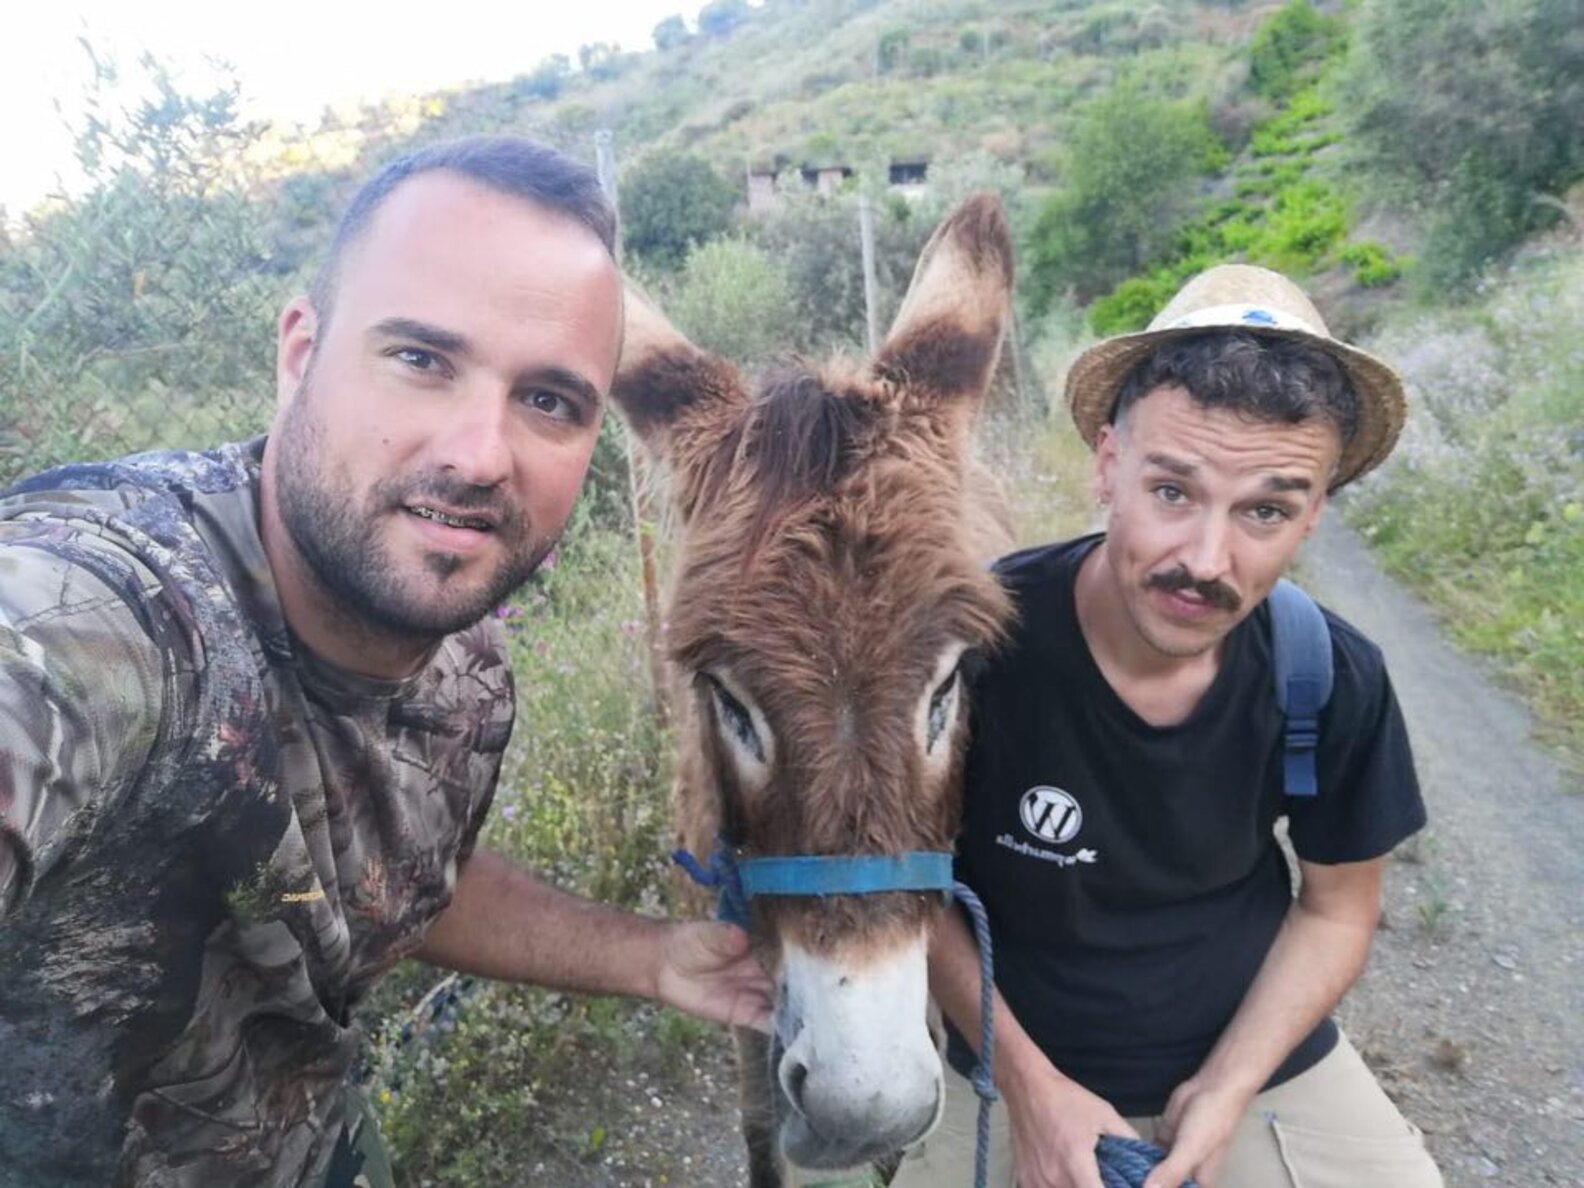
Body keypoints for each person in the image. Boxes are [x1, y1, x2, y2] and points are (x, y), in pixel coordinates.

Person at [0, 137, 771, 1187]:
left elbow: (393, 877)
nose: (477, 454)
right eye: (420, 359)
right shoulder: (115, 613)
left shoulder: (466, 665)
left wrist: (654, 959)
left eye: (548, 399)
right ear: (297, 353)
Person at [893, 265, 1443, 1188]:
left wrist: (1228, 1086)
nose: (1205, 560)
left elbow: (1339, 905)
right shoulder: (973, 645)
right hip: (1008, 1063)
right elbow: (913, 882)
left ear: (1313, 515)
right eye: (1173, 491)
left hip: (1261, 1068)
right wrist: (1029, 1090)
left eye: (1266, 508)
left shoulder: (1331, 676)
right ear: (1108, 465)